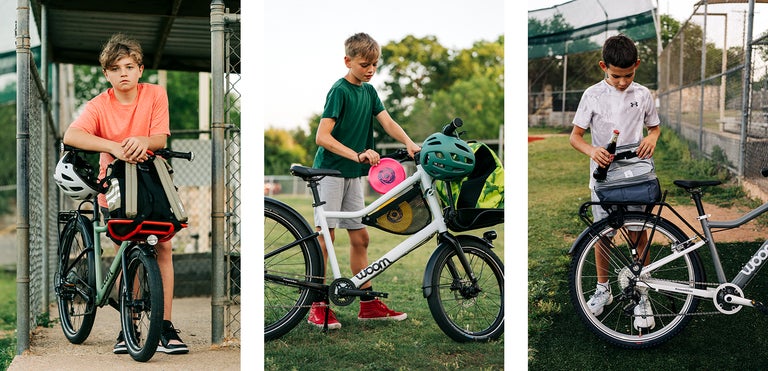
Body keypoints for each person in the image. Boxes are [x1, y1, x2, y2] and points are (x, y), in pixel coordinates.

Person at [62, 33, 188, 354]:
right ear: (106, 74)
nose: (123, 73)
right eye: (116, 68)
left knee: (163, 247)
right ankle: (128, 325)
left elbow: (160, 137)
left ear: (140, 69)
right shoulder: (99, 105)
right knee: (126, 249)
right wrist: (113, 146)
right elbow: (72, 134)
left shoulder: (155, 95)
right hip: (115, 187)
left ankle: (164, 326)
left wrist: (144, 142)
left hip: (151, 182)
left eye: (129, 66)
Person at [309, 32, 421, 330]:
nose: (370, 69)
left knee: (361, 238)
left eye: (374, 64)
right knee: (325, 241)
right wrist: (357, 154)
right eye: (364, 64)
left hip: (353, 177)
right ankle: (317, 306)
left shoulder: (369, 93)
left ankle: (368, 303)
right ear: (348, 61)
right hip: (330, 174)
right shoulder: (339, 91)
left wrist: (410, 143)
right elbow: (322, 137)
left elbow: (387, 121)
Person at [569, 34, 661, 330]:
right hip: (604, 178)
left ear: (637, 65)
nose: (622, 82)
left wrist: (651, 138)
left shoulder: (644, 94)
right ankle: (603, 289)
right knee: (603, 235)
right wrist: (592, 151)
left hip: (636, 174)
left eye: (628, 75)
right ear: (602, 67)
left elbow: (655, 128)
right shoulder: (592, 95)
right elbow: (575, 137)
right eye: (615, 75)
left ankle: (641, 292)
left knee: (637, 232)